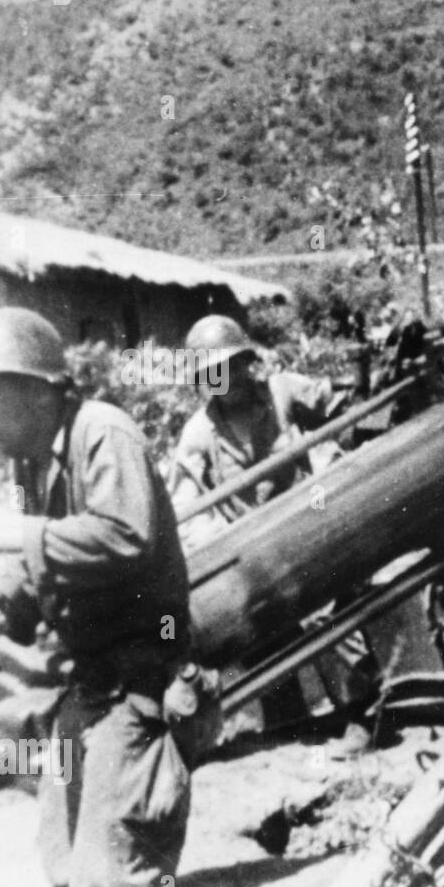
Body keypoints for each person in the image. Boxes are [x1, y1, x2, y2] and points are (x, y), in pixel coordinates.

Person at [0, 306, 232, 887]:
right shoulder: (30, 466)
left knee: (116, 879)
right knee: (68, 860)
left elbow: (124, 536)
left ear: (36, 389)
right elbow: (25, 586)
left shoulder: (102, 432)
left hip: (140, 685)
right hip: (88, 692)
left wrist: (20, 535)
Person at [167, 315, 378, 753]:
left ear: (248, 364)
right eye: (212, 373)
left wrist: (331, 460)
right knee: (255, 623)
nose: (225, 380)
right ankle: (290, 721)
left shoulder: (283, 391)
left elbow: (345, 409)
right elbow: (186, 509)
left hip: (309, 526)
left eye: (232, 366)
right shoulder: (198, 434)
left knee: (325, 615)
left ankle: (360, 716)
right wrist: (227, 540)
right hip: (252, 551)